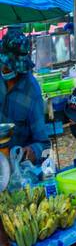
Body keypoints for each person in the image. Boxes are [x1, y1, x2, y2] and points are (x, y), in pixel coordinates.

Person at [0, 31, 49, 163]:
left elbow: (44, 145)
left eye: (8, 67)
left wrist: (32, 152)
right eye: (3, 64)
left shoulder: (31, 91)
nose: (4, 68)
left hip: (16, 167)